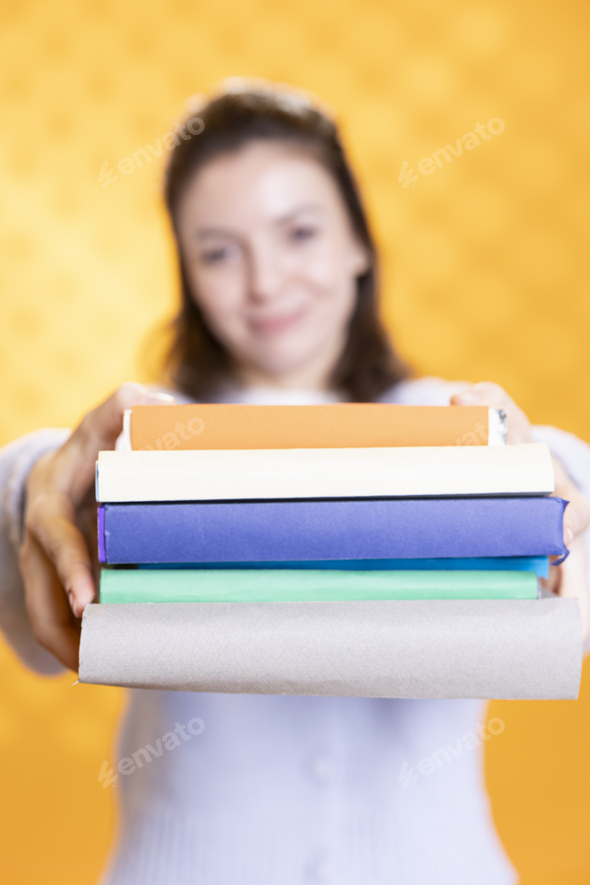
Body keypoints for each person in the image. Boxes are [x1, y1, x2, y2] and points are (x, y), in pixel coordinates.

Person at [1, 80, 589, 885]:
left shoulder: (456, 422)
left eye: (300, 232)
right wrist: (35, 472)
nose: (266, 282)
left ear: (359, 244)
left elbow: (568, 517)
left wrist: (539, 477)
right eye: (218, 250)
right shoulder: (147, 455)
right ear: (187, 274)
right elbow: (40, 592)